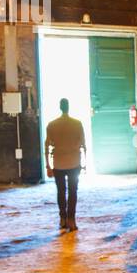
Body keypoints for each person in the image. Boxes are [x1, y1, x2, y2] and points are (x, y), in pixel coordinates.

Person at [45, 98, 86, 232]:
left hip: (59, 162)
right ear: (68, 107)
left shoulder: (52, 125)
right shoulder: (77, 123)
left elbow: (47, 145)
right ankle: (71, 220)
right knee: (73, 191)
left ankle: (62, 218)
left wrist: (48, 166)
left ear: (60, 107)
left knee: (61, 191)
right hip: (74, 162)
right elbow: (83, 145)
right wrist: (85, 163)